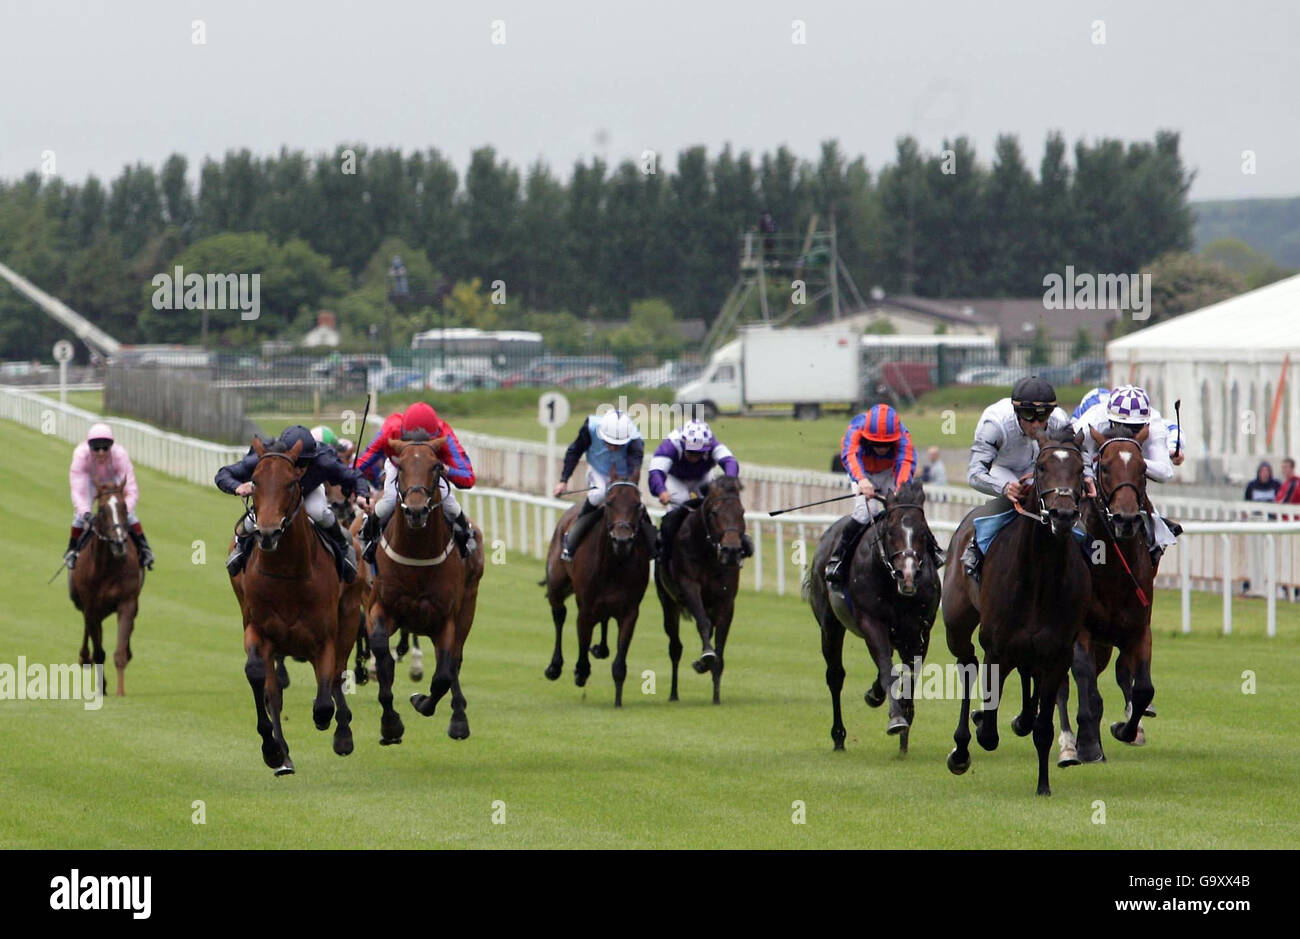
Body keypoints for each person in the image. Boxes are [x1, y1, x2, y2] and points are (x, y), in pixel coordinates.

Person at [217, 424, 370, 582]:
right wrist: (237, 487)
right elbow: (224, 474)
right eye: (295, 462)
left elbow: (355, 477)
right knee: (253, 519)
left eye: (304, 464)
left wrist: (361, 494)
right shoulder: (266, 457)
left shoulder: (324, 459)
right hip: (277, 493)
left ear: (313, 458)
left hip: (308, 491)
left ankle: (344, 549)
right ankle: (240, 548)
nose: (299, 470)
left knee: (320, 513)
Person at [959, 377, 1074, 582]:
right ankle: (976, 547)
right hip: (1001, 469)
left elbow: (1074, 457)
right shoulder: (995, 425)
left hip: (1038, 468)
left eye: (1043, 416)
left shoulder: (1060, 422)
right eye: (1029, 416)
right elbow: (974, 474)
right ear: (1017, 412)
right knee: (1013, 500)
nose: (1036, 425)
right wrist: (1004, 488)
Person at [824, 403, 934, 585]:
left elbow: (905, 462)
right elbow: (850, 455)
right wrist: (862, 480)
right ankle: (838, 559)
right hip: (863, 473)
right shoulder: (855, 431)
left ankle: (933, 550)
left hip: (889, 473)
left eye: (887, 444)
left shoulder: (904, 436)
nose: (882, 447)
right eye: (876, 443)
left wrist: (900, 487)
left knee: (907, 512)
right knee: (866, 512)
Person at [1073, 385, 1182, 562]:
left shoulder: (1154, 425)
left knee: (1133, 486)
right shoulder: (1091, 422)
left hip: (1126, 471)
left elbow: (1164, 473)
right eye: (1124, 426)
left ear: (1145, 424)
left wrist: (1128, 463)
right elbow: (1075, 450)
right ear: (1111, 421)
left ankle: (1155, 542)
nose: (1129, 433)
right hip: (1091, 455)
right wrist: (1087, 475)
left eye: (1135, 428)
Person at [357, 402, 477, 562]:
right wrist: (359, 492)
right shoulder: (390, 431)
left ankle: (466, 537)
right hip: (399, 466)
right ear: (402, 435)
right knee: (389, 500)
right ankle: (367, 535)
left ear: (435, 437)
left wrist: (445, 470)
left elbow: (468, 478)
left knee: (450, 505)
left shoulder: (445, 435)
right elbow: (358, 468)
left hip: (430, 469)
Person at [553, 408, 658, 561]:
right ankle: (572, 539)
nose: (613, 448)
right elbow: (574, 452)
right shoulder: (591, 427)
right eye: (609, 443)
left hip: (624, 475)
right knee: (598, 494)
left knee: (631, 500)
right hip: (598, 471)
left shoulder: (635, 440)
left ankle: (653, 546)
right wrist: (563, 480)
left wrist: (624, 485)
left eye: (618, 445)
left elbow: (634, 468)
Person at [649, 419, 752, 567]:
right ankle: (666, 546)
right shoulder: (670, 446)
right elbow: (656, 472)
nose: (693, 458)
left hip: (702, 477)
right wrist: (661, 490)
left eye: (699, 454)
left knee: (721, 506)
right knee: (683, 500)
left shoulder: (713, 444)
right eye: (690, 452)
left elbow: (730, 462)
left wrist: (730, 481)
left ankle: (738, 541)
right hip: (675, 479)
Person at [65, 422, 155, 570]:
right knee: (78, 516)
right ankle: (72, 550)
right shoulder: (80, 455)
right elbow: (78, 492)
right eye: (96, 448)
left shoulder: (120, 455)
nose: (101, 452)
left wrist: (125, 510)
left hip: (112, 479)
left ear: (111, 446)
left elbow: (131, 490)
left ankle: (145, 549)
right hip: (89, 480)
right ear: (89, 447)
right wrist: (86, 514)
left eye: (105, 448)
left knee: (131, 515)